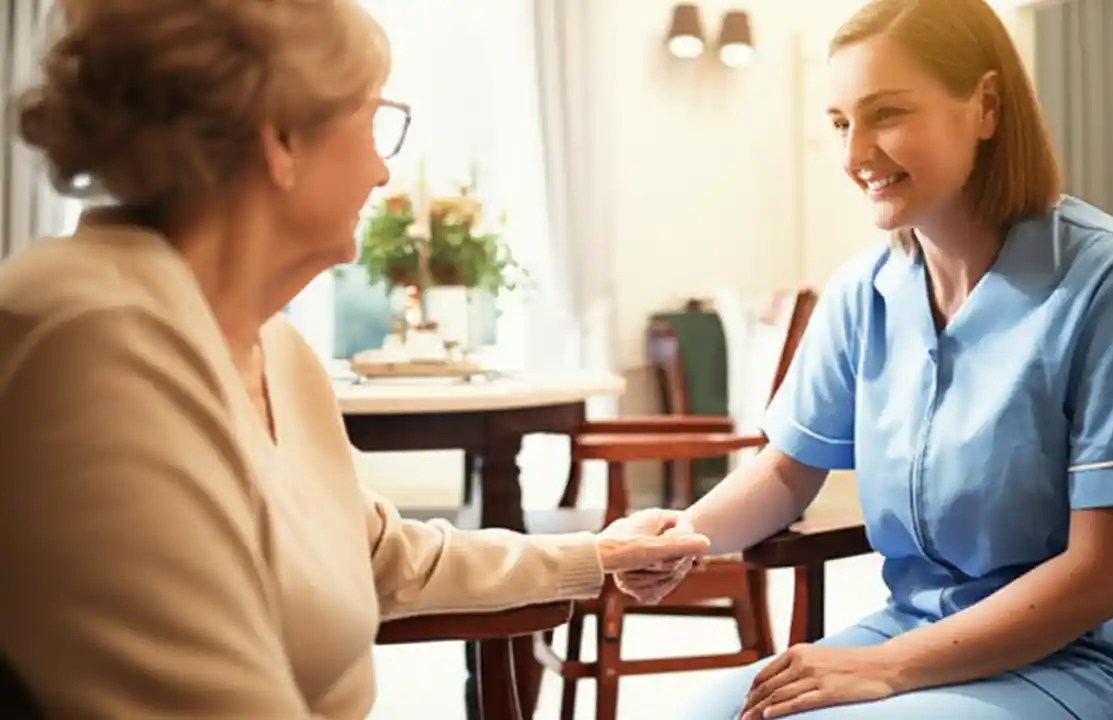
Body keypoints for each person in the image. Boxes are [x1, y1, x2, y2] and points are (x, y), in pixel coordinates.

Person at [0, 1, 708, 717]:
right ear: (279, 139)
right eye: (375, 121)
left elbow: (380, 556)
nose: (379, 173)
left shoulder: (275, 347)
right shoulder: (88, 343)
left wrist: (596, 556)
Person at [617, 1, 1113, 718]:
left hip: (1087, 655)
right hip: (915, 632)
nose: (854, 153)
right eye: (840, 123)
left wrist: (885, 670)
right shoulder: (865, 291)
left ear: (986, 105)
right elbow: (783, 471)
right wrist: (682, 536)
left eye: (886, 114)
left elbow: (1104, 576)